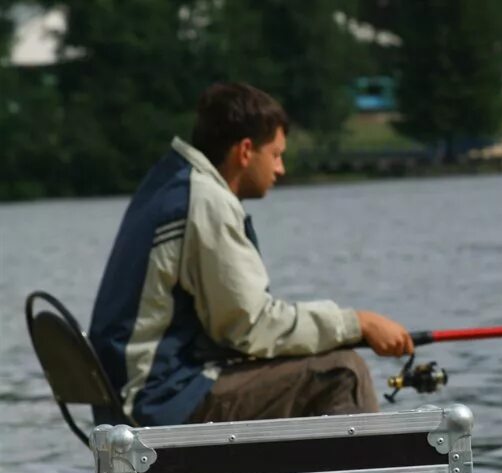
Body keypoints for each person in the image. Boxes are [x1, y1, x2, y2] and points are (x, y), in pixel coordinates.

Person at [89, 82, 412, 427]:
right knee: (342, 372)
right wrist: (356, 323)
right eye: (275, 154)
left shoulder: (170, 182)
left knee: (318, 359)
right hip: (160, 404)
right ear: (245, 151)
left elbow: (232, 327)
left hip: (136, 397)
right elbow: (251, 326)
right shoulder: (205, 201)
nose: (280, 169)